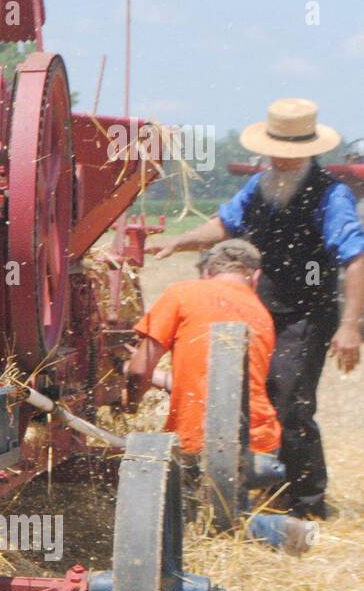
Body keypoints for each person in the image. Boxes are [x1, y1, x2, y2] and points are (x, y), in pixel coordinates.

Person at [151, 98, 364, 518]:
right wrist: (180, 240)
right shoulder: (258, 187)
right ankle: (248, 489)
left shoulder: (331, 195)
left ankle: (305, 506)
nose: (282, 161)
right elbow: (223, 225)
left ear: (309, 151)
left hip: (306, 313)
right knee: (247, 398)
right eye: (276, 152)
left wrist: (350, 326)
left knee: (291, 403)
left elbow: (355, 259)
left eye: (291, 153)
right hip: (259, 312)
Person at [127, 239, 315, 554]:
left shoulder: (182, 294)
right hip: (263, 443)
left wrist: (131, 402)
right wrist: (161, 380)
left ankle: (287, 533)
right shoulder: (261, 314)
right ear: (254, 278)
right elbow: (217, 382)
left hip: (203, 442)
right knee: (220, 508)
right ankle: (252, 516)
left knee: (198, 523)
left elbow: (137, 371)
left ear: (207, 272)